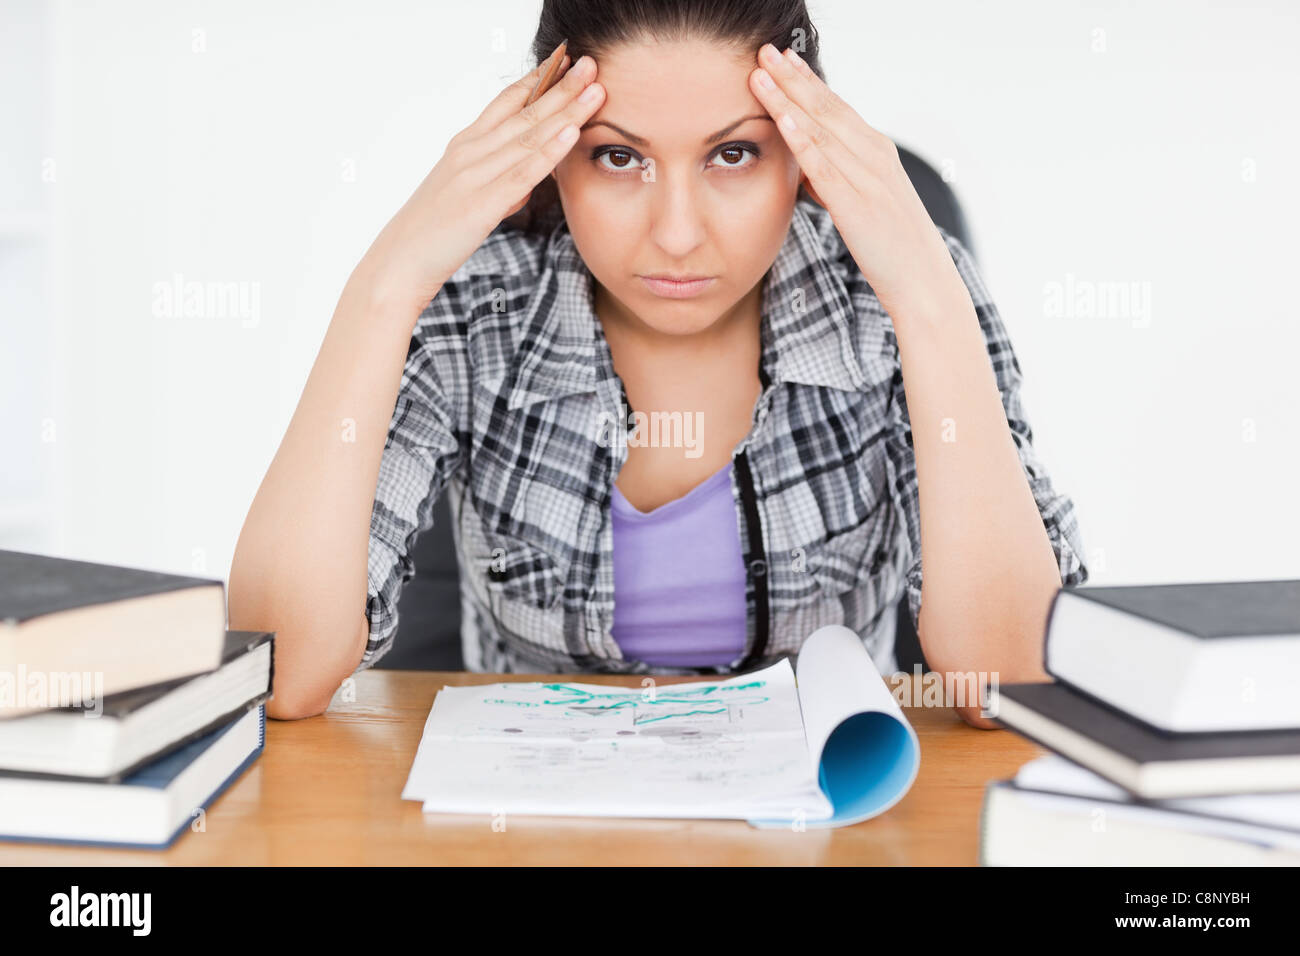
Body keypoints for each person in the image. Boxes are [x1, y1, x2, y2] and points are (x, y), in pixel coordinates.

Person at [229, 0, 1088, 726]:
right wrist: (385, 286)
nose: (677, 234)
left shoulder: (896, 300)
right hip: (532, 836)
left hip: (825, 830)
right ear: (546, 156)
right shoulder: (473, 312)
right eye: (618, 156)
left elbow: (1010, 680)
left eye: (734, 153)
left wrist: (928, 302)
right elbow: (279, 675)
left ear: (807, 154)